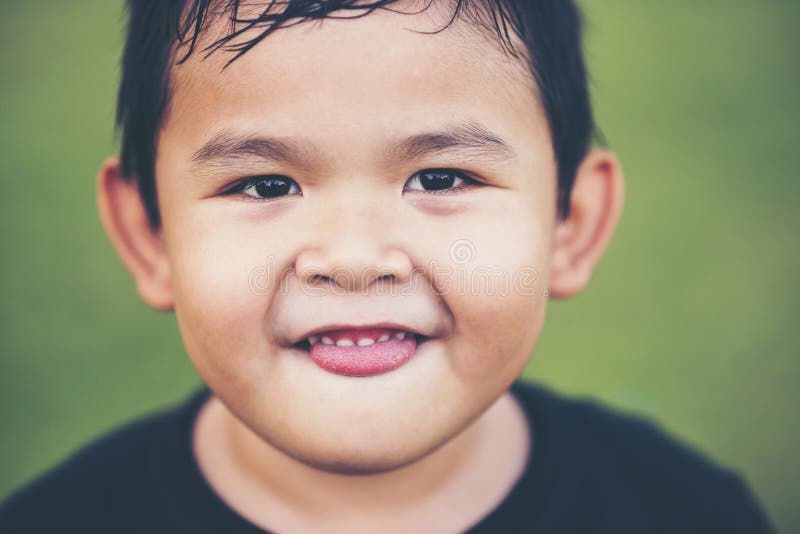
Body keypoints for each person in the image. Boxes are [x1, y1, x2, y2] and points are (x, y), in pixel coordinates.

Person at [0, 1, 776, 532]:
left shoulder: (680, 511)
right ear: (150, 235)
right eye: (265, 184)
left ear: (568, 222)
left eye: (440, 178)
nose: (354, 259)